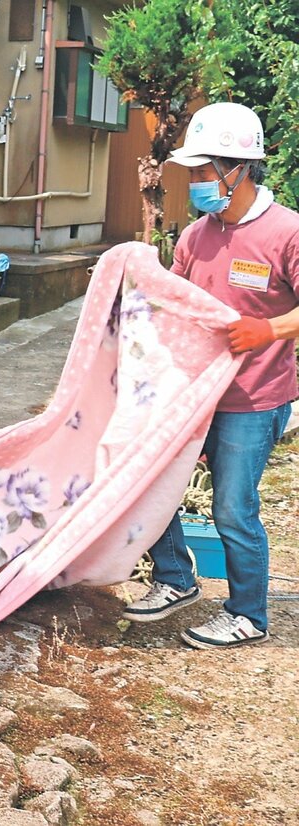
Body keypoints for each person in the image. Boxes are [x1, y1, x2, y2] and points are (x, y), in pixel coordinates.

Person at [122, 102, 299, 649]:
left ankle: (248, 615)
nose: (195, 183)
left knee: (232, 508)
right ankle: (176, 578)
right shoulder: (196, 237)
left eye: (202, 172)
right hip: (193, 391)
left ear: (238, 168)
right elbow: (173, 302)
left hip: (254, 398)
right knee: (151, 483)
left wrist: (267, 331)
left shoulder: (286, 231)